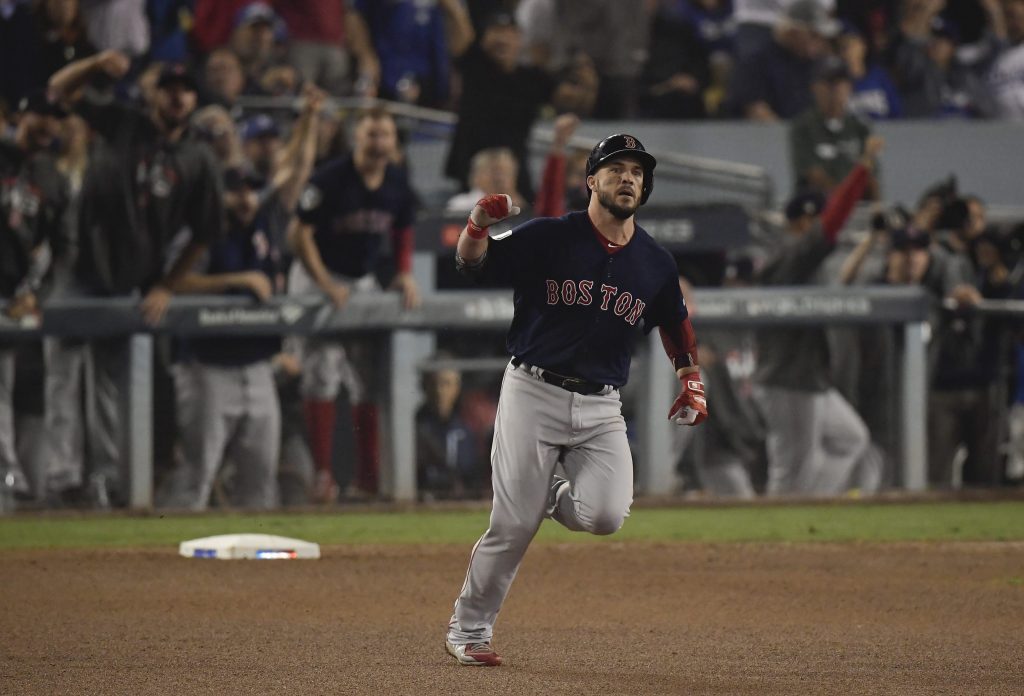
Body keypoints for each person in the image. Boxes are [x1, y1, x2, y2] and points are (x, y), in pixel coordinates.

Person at [444, 133, 708, 666]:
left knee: (607, 514)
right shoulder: (549, 236)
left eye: (637, 171)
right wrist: (476, 225)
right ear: (591, 180)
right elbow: (472, 265)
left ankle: (545, 493)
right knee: (513, 525)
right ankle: (468, 631)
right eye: (616, 170)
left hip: (601, 405)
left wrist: (690, 376)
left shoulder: (654, 261)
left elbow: (675, 323)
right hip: (532, 390)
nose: (628, 178)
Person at [48, 54, 223, 506]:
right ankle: (62, 477)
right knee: (62, 377)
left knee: (110, 387)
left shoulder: (198, 158)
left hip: (131, 281)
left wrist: (167, 283)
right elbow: (58, 90)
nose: (177, 96)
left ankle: (103, 481)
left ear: (194, 97)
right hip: (80, 271)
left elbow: (205, 233)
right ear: (154, 94)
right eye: (169, 87)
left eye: (185, 89)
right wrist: (95, 64)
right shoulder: (124, 124)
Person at [288, 107, 420, 503]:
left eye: (384, 134)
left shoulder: (397, 182)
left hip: (359, 279)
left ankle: (367, 479)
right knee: (322, 371)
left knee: (367, 377)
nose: (378, 141)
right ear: (356, 139)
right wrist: (325, 283)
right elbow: (299, 233)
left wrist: (404, 273)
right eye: (371, 134)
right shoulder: (330, 178)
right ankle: (323, 476)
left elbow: (403, 229)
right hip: (316, 274)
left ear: (394, 142)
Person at [753, 136, 884, 497]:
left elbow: (837, 278)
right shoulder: (792, 254)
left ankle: (814, 506)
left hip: (809, 377)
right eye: (813, 219)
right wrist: (862, 170)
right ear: (801, 222)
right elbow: (832, 222)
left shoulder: (802, 261)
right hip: (788, 378)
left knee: (850, 439)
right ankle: (773, 537)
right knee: (792, 471)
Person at [1, 90, 70, 501]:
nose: (48, 125)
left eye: (56, 118)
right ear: (19, 116)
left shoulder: (50, 177)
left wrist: (38, 294)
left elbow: (64, 246)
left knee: (21, 390)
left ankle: (18, 481)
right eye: (41, 115)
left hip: (16, 298)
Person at [727, 0, 837, 120]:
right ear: (792, 32)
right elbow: (758, 113)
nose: (819, 43)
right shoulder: (754, 64)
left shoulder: (818, 65)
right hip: (766, 137)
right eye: (813, 35)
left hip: (810, 135)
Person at [789, 55, 879, 199]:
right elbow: (812, 174)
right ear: (814, 87)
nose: (834, 89)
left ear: (849, 87)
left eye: (840, 82)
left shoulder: (860, 127)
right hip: (817, 206)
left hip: (856, 207)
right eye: (828, 82)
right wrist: (842, 201)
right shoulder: (804, 127)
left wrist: (876, 208)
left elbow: (871, 176)